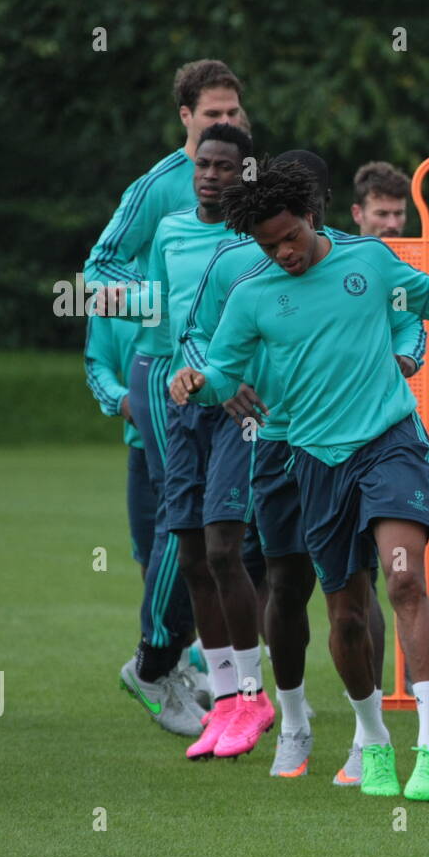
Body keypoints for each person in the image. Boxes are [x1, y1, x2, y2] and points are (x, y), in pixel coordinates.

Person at [171, 159, 429, 801]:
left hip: (389, 443)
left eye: (289, 236)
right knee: (343, 614)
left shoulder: (367, 261)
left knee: (403, 580)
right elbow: (227, 378)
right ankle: (372, 739)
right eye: (268, 244)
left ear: (313, 217)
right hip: (312, 461)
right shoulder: (252, 295)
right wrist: (199, 385)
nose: (282, 251)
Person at [84, 60, 246, 733]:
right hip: (164, 369)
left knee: (228, 531)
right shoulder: (158, 187)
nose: (225, 125)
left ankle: (211, 669)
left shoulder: (245, 179)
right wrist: (166, 303)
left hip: (232, 371)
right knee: (183, 528)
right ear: (184, 116)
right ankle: (154, 666)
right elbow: (98, 275)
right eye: (212, 115)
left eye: (233, 113)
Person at [146, 122, 273, 758]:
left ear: (244, 173)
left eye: (225, 166)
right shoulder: (169, 231)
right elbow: (176, 322)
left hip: (241, 406)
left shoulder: (256, 238)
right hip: (186, 404)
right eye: (204, 163)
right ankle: (224, 701)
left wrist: (227, 380)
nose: (211, 174)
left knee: (227, 548)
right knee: (192, 553)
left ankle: (254, 694)